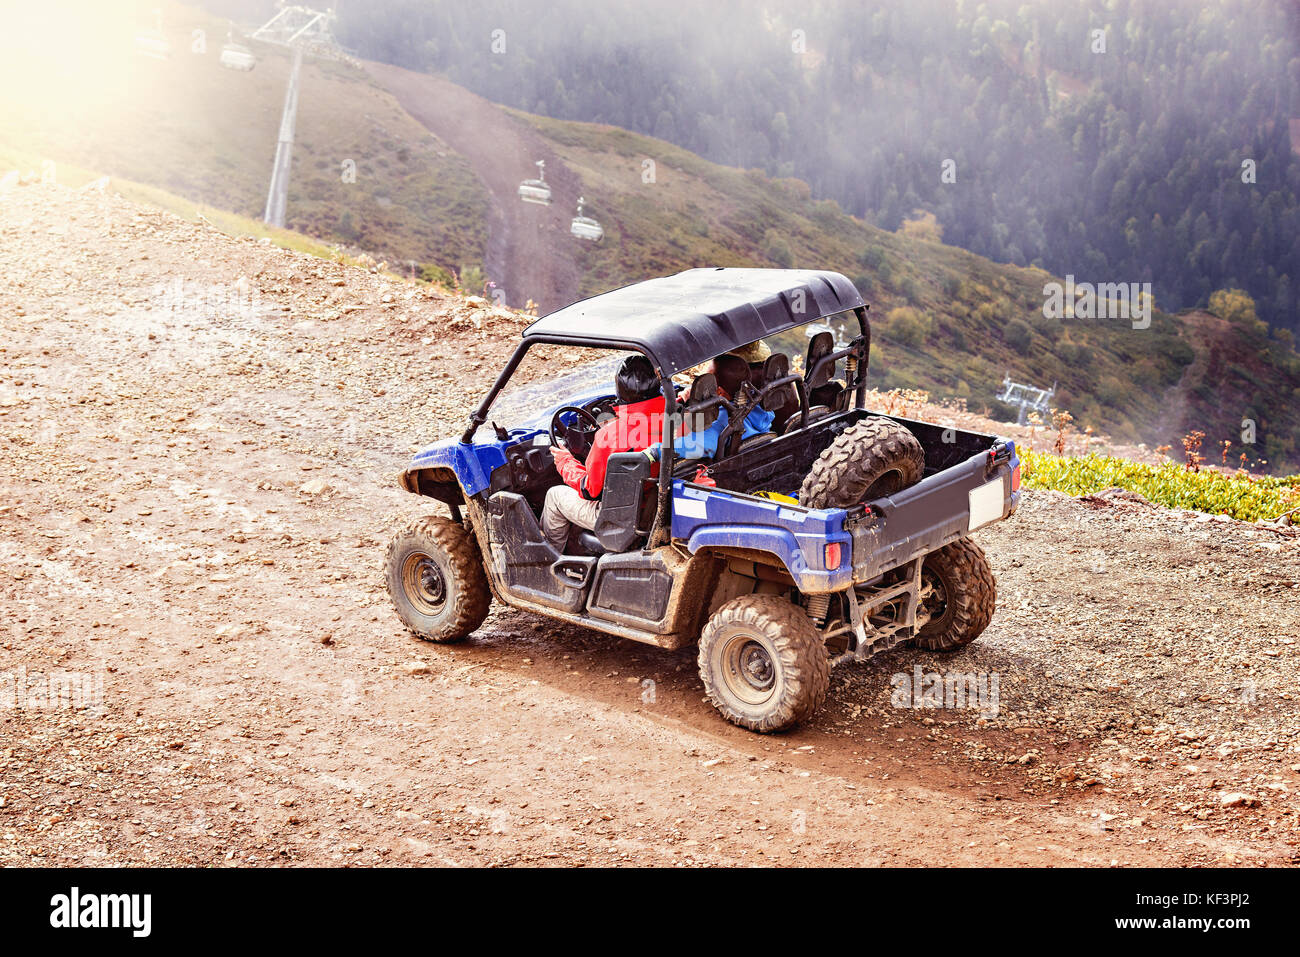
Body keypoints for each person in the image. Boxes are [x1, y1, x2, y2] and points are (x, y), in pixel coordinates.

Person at [542, 354, 664, 551]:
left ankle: (551, 559)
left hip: (618, 518)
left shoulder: (609, 435)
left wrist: (565, 462)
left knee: (554, 496)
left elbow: (589, 491)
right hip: (657, 509)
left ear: (620, 391)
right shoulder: (680, 420)